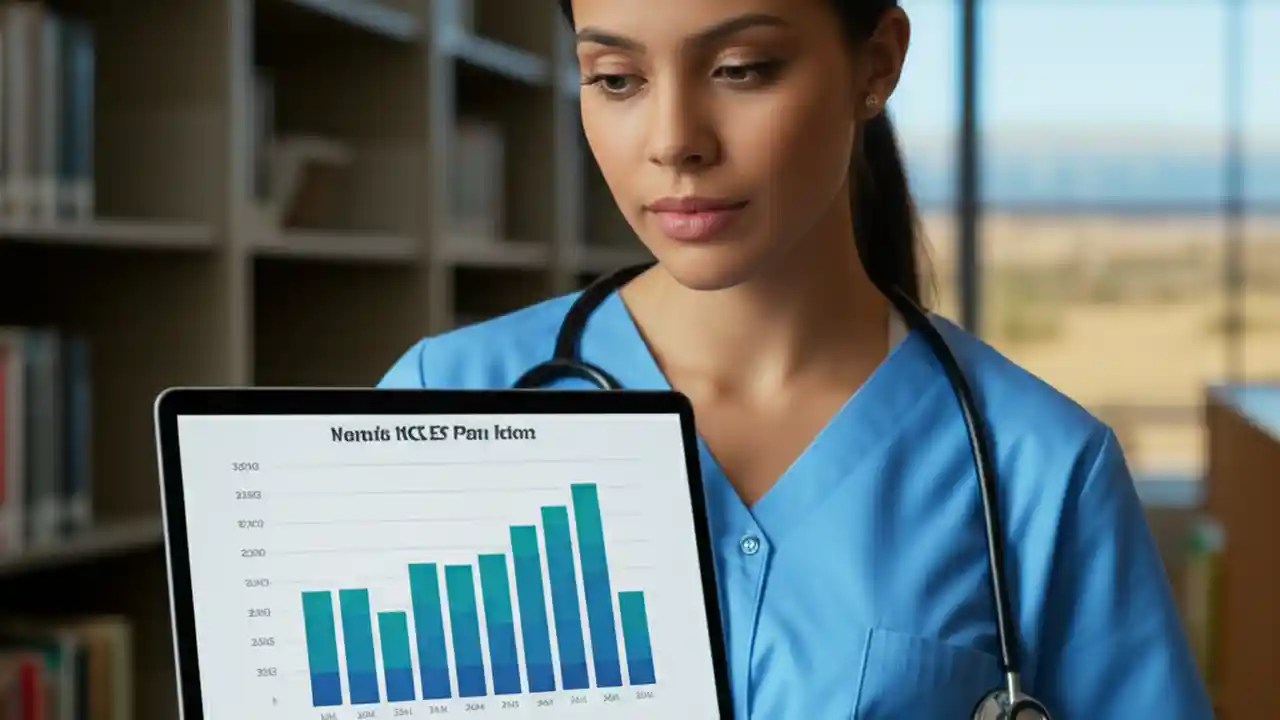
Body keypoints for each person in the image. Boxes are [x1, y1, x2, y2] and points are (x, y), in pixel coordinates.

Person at [378, 0, 1214, 717]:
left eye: (742, 68)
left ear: (875, 65)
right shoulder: (442, 402)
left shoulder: (1038, 466)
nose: (674, 142)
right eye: (617, 79)